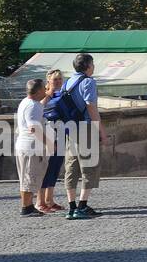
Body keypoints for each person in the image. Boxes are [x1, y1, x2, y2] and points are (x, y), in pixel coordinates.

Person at [62, 53, 104, 219]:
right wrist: (100, 129)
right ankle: (82, 206)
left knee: (71, 166)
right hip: (85, 128)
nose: (93, 67)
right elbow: (91, 106)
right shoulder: (88, 82)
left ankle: (71, 207)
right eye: (92, 64)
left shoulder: (67, 82)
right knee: (89, 166)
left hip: (70, 128)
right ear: (87, 66)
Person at [14, 79, 50, 217]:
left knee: (27, 177)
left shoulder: (25, 102)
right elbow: (33, 128)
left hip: (25, 146)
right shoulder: (34, 106)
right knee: (29, 178)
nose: (46, 90)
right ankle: (26, 208)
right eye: (44, 88)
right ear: (39, 90)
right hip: (31, 147)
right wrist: (48, 143)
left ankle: (28, 206)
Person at [38, 70, 67, 212]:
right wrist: (48, 95)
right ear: (48, 81)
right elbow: (38, 110)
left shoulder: (63, 95)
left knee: (55, 167)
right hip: (48, 134)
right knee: (46, 168)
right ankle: (40, 201)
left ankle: (49, 199)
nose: (58, 81)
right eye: (55, 79)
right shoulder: (43, 95)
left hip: (60, 133)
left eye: (60, 79)